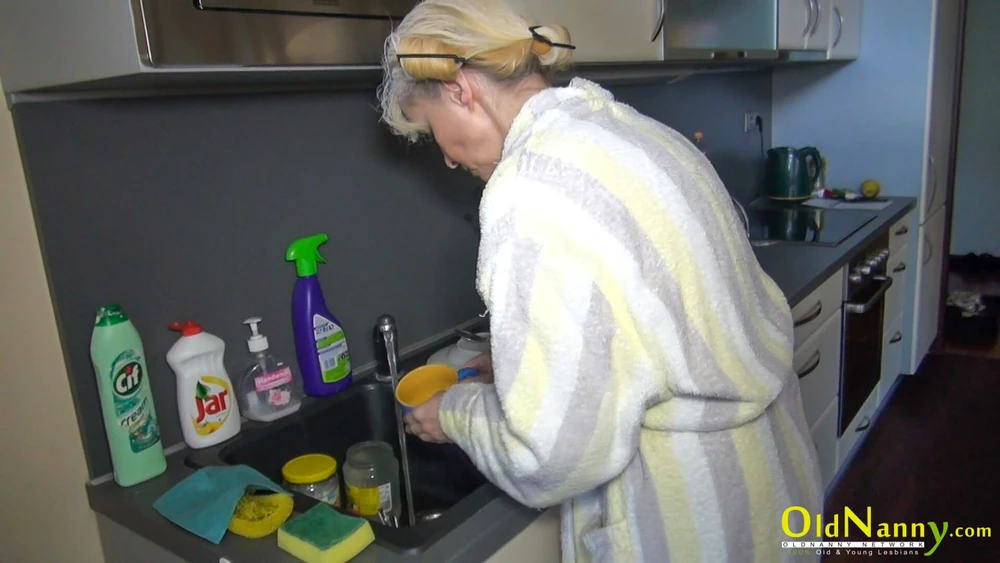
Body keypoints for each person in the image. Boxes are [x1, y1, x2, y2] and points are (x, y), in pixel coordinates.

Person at [377, 1, 824, 561]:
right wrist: (522, 369)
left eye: (429, 130)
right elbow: (651, 320)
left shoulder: (530, 189)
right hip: (770, 479)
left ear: (461, 91)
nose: (443, 158)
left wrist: (454, 413)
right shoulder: (629, 130)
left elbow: (551, 454)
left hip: (690, 520)